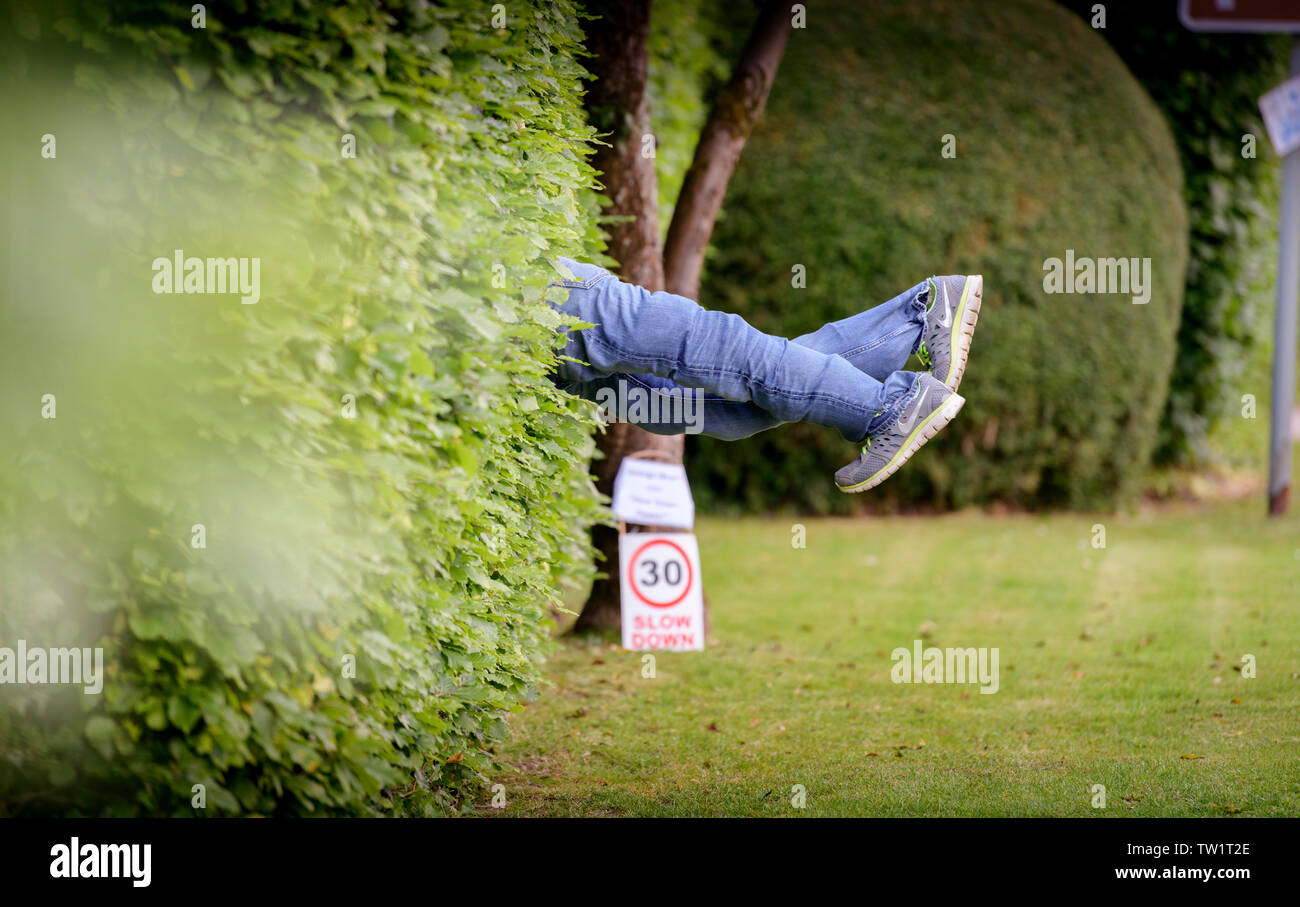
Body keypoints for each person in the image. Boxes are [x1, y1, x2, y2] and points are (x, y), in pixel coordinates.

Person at [547, 258, 981, 492]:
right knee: (714, 410)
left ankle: (887, 406)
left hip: (565, 306)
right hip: (562, 368)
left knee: (740, 357)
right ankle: (919, 318)